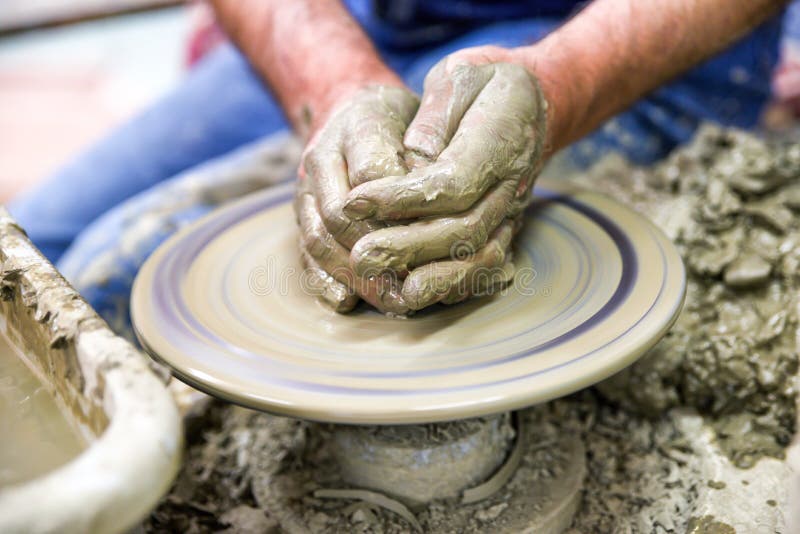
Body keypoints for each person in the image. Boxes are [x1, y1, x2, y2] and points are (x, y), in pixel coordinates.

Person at [9, 1, 788, 317]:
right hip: (358, 17)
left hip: (620, 35)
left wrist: (567, 86)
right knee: (33, 265)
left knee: (116, 286)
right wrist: (331, 84)